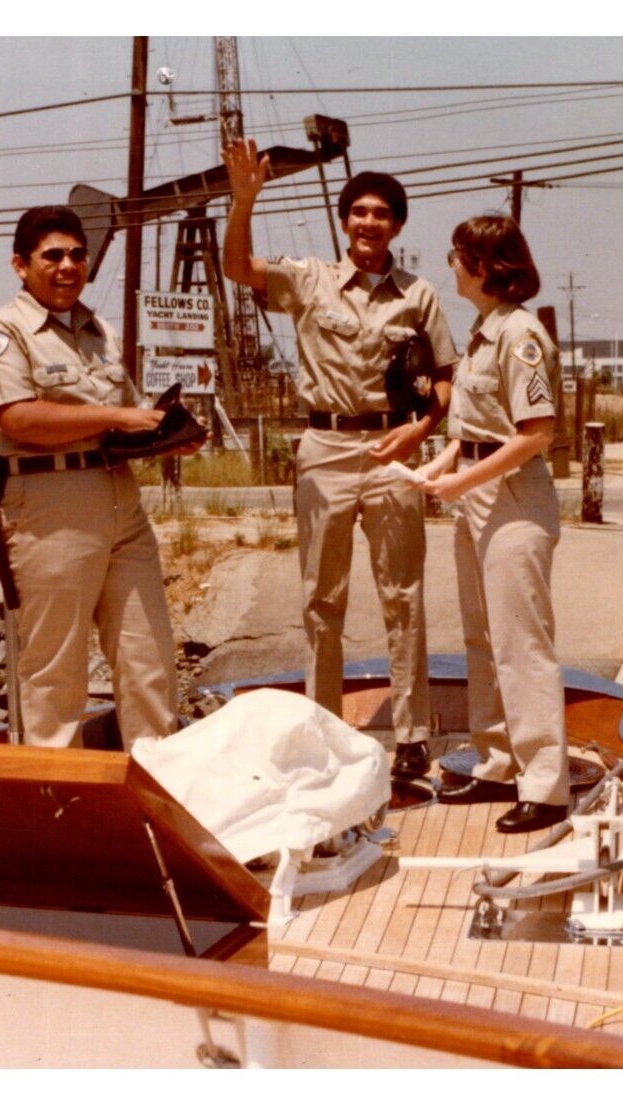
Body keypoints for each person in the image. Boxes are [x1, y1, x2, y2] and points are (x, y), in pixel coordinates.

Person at [222, 139, 459, 779]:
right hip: (323, 448)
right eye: (358, 213)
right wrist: (244, 199)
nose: (368, 223)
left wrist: (423, 429)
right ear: (344, 221)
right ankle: (322, 728)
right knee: (320, 600)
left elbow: (445, 377)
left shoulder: (420, 296)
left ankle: (410, 735)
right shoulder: (309, 280)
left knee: (402, 595)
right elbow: (238, 266)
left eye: (382, 214)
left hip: (392, 449)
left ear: (397, 226)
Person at [0, 205, 188, 749]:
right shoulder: (3, 332)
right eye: (53, 256)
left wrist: (167, 432)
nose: (68, 266)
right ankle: (53, 812)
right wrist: (116, 417)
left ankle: (155, 797)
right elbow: (16, 417)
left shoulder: (99, 331)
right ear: (21, 265)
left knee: (149, 660)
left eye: (77, 255)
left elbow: (127, 412)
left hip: (119, 503)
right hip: (49, 507)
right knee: (55, 672)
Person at [416, 214, 568, 834]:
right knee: (483, 638)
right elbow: (480, 427)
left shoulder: (521, 334)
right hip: (477, 493)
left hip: (511, 500)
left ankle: (547, 785)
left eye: (456, 256)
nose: (449, 265)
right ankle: (499, 762)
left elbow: (537, 434)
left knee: (521, 644)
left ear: (481, 265)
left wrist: (463, 480)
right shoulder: (484, 331)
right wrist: (445, 462)